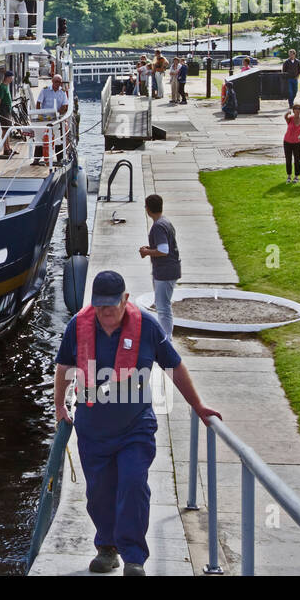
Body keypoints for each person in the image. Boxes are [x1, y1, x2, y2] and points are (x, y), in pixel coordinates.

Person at [54, 270, 220, 576]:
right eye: (100, 305)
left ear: (125, 299)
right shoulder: (78, 326)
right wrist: (59, 405)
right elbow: (64, 365)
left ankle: (134, 557)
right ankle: (106, 548)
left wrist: (197, 404)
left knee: (133, 484)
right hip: (93, 430)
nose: (105, 312)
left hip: (135, 427)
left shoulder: (147, 327)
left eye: (112, 305)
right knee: (99, 493)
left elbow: (174, 365)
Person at [138, 194, 182, 344]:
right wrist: (150, 248)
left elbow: (163, 250)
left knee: (163, 307)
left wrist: (146, 252)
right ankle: (164, 336)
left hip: (165, 272)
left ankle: (166, 338)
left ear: (148, 209)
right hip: (168, 270)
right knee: (162, 304)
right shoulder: (165, 222)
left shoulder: (158, 226)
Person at [34, 73, 69, 166]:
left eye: (60, 82)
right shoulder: (45, 91)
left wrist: (59, 111)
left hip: (56, 119)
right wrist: (39, 114)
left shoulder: (62, 92)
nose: (58, 84)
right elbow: (38, 103)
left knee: (57, 139)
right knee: (41, 138)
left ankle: (59, 159)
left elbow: (65, 105)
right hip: (44, 119)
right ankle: (36, 160)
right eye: (56, 82)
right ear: (52, 82)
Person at [283, 103, 300, 184]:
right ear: (293, 110)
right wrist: (287, 113)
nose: (297, 110)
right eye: (295, 109)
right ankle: (289, 176)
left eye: (299, 109)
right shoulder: (290, 119)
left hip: (297, 143)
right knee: (288, 159)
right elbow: (285, 117)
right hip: (287, 142)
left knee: (297, 160)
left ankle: (296, 176)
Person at [0, 69, 17, 158]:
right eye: (11, 77)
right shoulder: (2, 87)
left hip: (7, 110)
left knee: (8, 130)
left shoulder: (6, 86)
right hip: (3, 110)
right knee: (5, 130)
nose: (12, 79)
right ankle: (6, 149)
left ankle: (8, 148)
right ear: (7, 78)